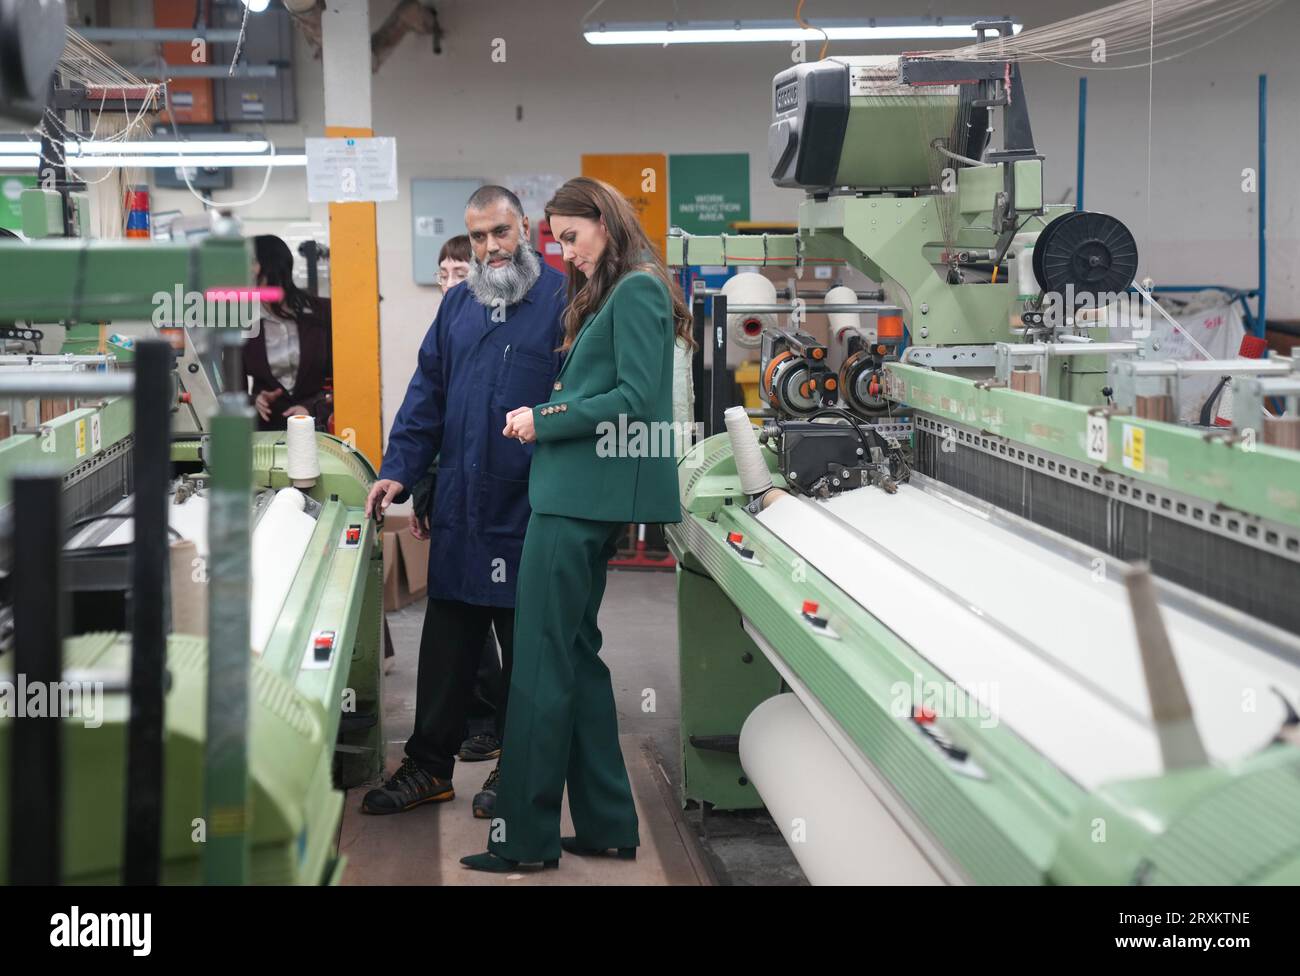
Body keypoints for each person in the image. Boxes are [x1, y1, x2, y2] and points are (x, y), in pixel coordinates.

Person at [460, 177, 692, 872]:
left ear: (606, 220)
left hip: (578, 500)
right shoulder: (619, 292)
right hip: (580, 494)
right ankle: (606, 823)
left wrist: (546, 417)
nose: (564, 253)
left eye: (571, 237)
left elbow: (632, 396)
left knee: (536, 662)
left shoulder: (639, 289)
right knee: (578, 660)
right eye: (555, 241)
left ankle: (521, 839)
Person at [362, 186, 566, 818]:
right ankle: (429, 768)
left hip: (529, 506)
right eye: (478, 237)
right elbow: (427, 394)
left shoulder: (564, 303)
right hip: (461, 505)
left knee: (524, 643)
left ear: (525, 227)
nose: (489, 248)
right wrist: (399, 471)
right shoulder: (456, 307)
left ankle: (518, 764)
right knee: (446, 644)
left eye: (500, 232)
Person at [243, 235, 333, 431]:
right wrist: (254, 400)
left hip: (318, 431)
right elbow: (232, 392)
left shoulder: (323, 312)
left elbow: (345, 382)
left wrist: (311, 408)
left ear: (269, 264)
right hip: (266, 434)